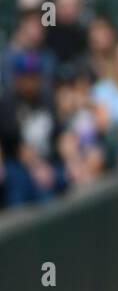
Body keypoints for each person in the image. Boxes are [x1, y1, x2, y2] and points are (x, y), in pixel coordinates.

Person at [0, 52, 65, 207]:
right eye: (26, 76)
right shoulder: (8, 105)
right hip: (18, 164)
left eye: (34, 75)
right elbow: (17, 145)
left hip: (48, 159)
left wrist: (74, 161)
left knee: (65, 177)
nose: (31, 81)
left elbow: (60, 134)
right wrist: (38, 167)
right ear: (17, 78)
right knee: (28, 188)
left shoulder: (46, 99)